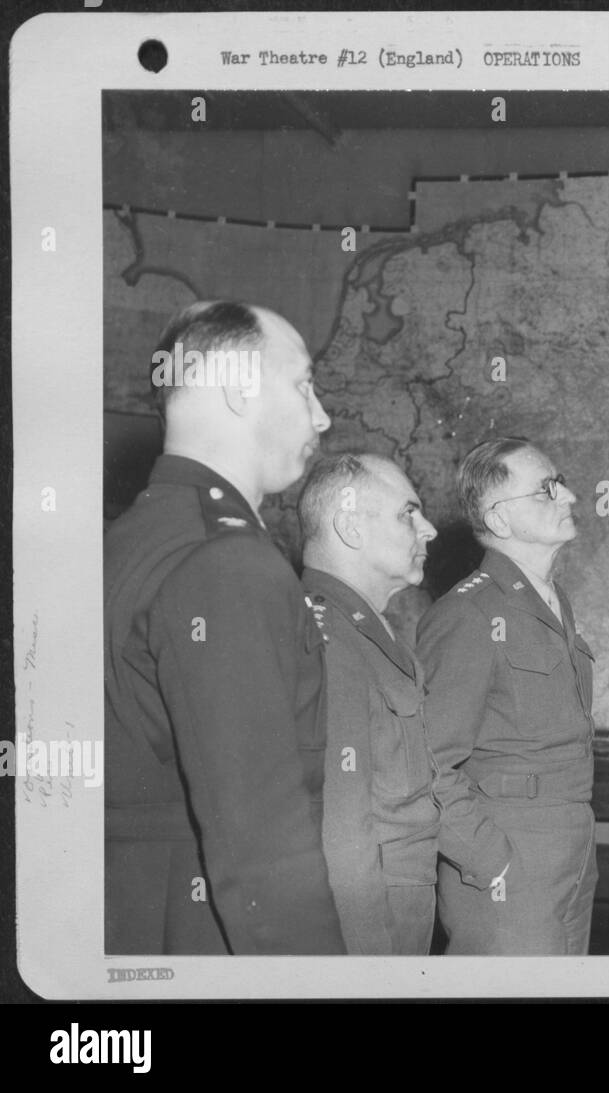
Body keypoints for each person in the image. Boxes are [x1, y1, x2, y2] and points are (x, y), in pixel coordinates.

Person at [104, 300, 344, 954]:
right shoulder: (230, 561)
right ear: (238, 388)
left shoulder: (122, 542)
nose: (320, 415)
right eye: (302, 385)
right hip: (205, 939)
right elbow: (263, 855)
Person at [416, 438, 597, 954]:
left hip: (572, 852)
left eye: (559, 483)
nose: (568, 496)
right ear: (499, 520)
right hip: (510, 860)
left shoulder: (553, 602)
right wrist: (489, 860)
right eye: (546, 490)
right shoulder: (467, 615)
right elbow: (427, 762)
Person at [297, 453, 441, 954]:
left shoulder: (365, 629)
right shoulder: (328, 636)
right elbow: (341, 829)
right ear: (351, 527)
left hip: (402, 897)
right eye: (409, 512)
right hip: (372, 916)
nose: (429, 530)